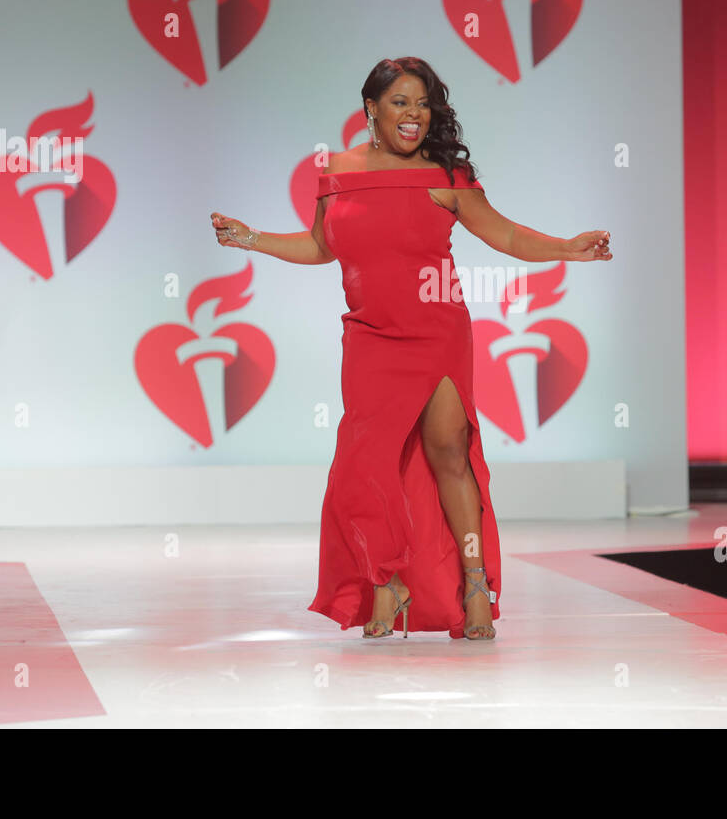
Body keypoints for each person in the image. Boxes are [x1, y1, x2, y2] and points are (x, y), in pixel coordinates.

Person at [209, 57, 612, 640]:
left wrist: (567, 249)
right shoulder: (337, 172)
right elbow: (322, 245)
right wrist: (252, 239)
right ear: (371, 107)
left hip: (437, 332)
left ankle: (474, 586)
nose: (413, 115)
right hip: (370, 336)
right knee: (361, 470)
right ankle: (386, 580)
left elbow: (507, 233)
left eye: (422, 104)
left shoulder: (446, 176)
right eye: (400, 102)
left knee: (448, 453)